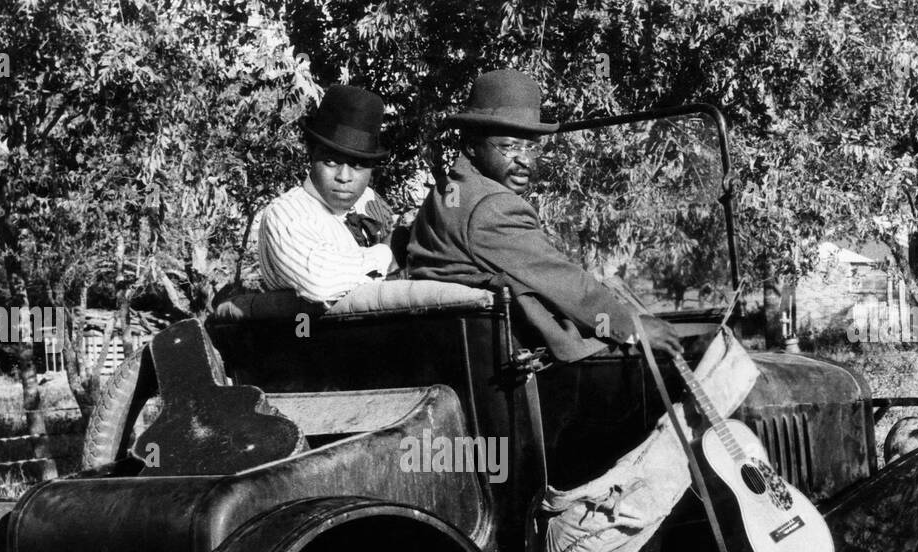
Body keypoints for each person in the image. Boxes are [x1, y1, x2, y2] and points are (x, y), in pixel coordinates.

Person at [407, 69, 682, 361]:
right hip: (493, 354)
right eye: (510, 147)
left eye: (531, 147)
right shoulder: (492, 206)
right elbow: (561, 281)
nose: (525, 160)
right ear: (471, 146)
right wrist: (632, 327)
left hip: (456, 346)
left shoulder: (448, 191)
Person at [257, 85, 398, 304]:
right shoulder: (286, 214)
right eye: (331, 161)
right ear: (311, 155)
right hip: (307, 333)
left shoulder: (369, 201)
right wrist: (388, 251)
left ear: (372, 168)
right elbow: (321, 282)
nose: (344, 176)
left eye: (358, 166)